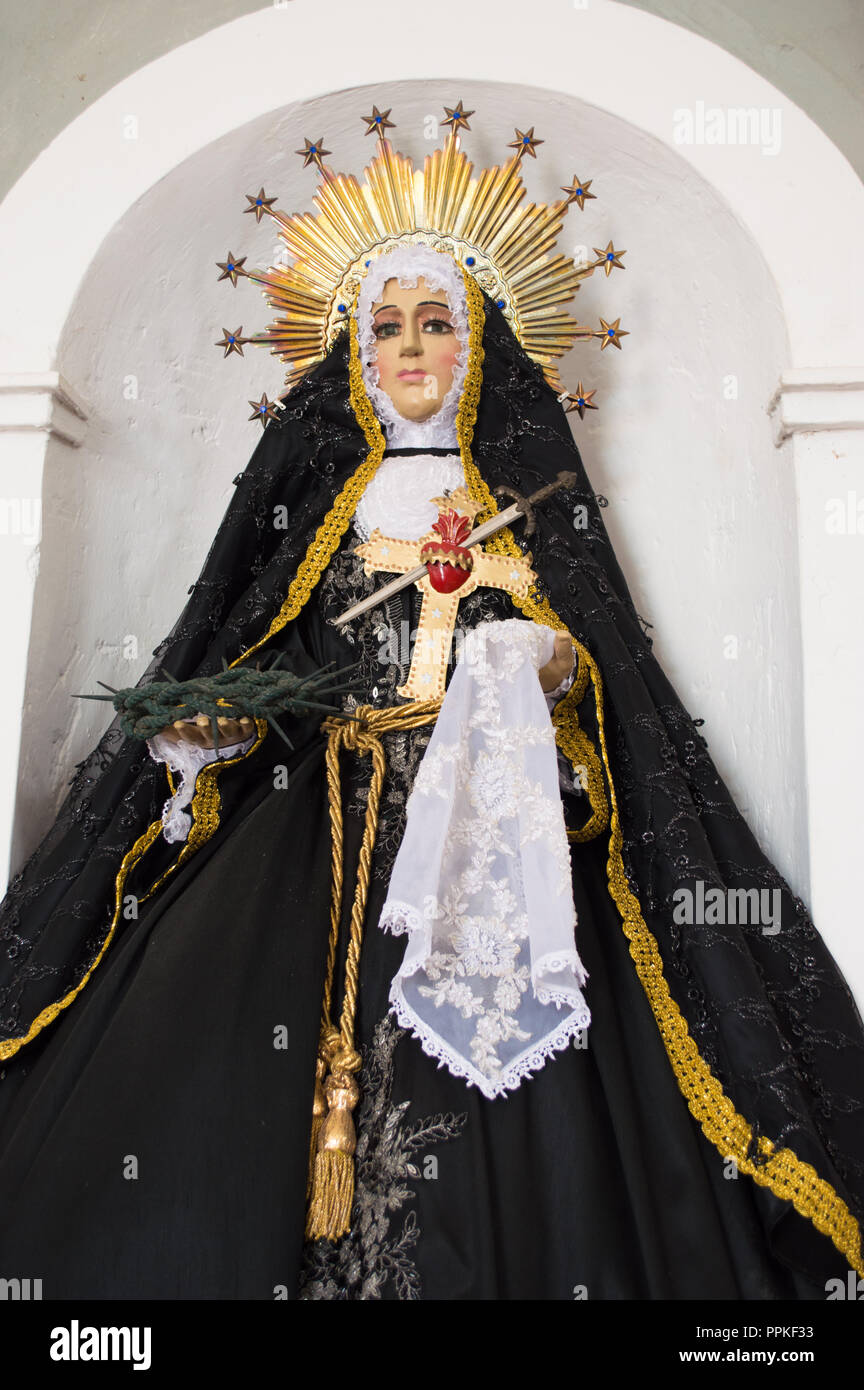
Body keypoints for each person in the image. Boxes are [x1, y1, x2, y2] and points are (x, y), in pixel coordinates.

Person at [0, 130, 862, 1301]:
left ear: (482, 344)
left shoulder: (523, 506)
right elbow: (282, 684)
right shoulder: (327, 517)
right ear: (355, 350)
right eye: (389, 324)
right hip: (316, 834)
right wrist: (219, 735)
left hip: (498, 838)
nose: (413, 346)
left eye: (437, 321)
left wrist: (549, 669)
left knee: (531, 1109)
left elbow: (615, 706)